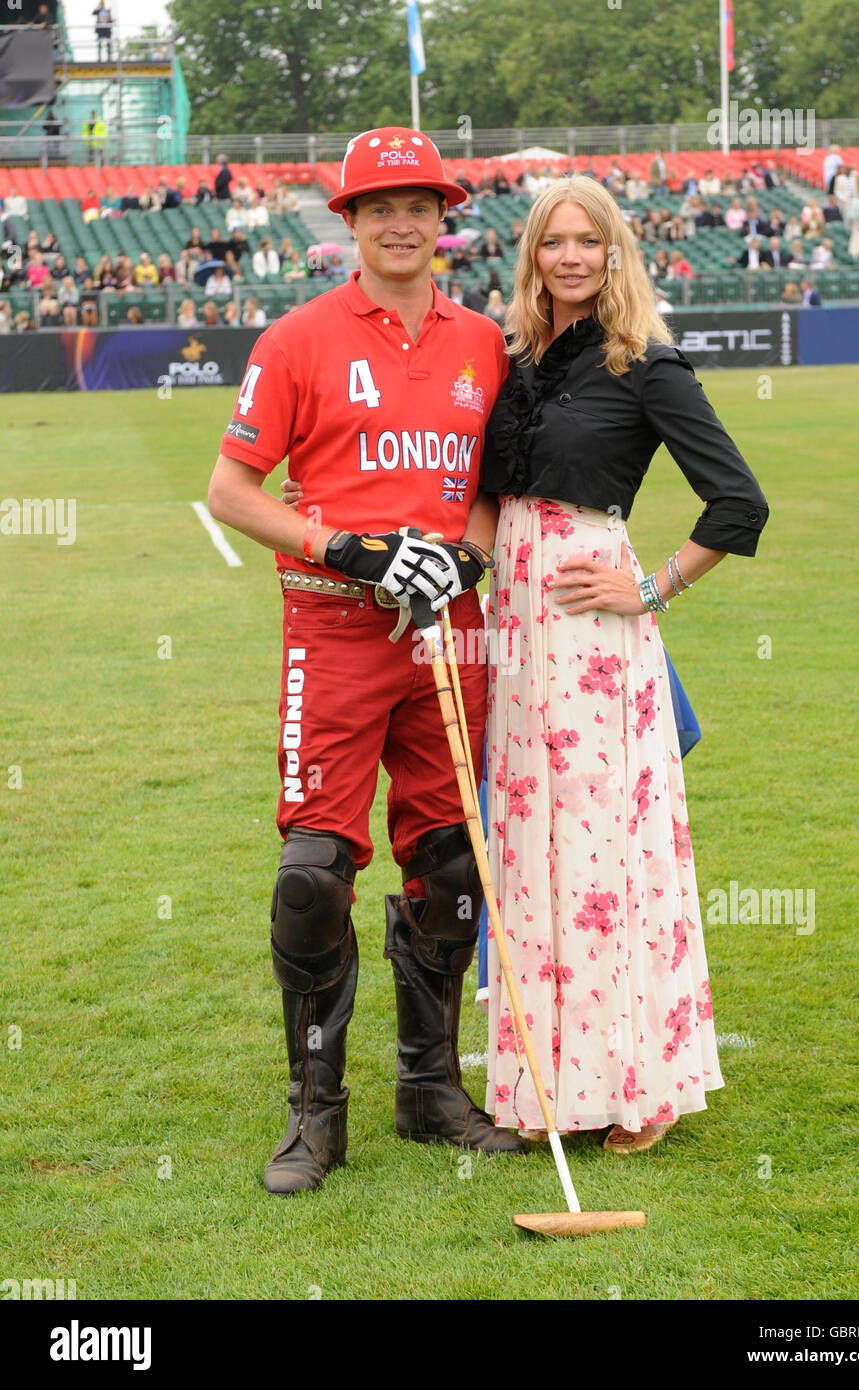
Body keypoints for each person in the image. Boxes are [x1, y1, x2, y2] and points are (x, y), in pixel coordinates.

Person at [206, 125, 525, 1197]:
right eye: (379, 207)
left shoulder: (483, 343)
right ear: (347, 221)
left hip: (444, 637)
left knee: (448, 865)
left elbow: (486, 484)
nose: (401, 223)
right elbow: (233, 491)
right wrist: (344, 546)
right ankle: (314, 1110)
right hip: (336, 632)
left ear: (444, 222)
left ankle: (429, 1090)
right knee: (311, 877)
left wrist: (465, 557)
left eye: (419, 206)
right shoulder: (298, 338)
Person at [477, 177, 769, 1150]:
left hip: (590, 638)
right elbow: (484, 493)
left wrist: (650, 588)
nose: (568, 255)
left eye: (585, 240)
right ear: (532, 254)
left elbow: (737, 502)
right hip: (511, 626)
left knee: (601, 854)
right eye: (552, 240)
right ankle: (548, 1089)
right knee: (529, 853)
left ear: (612, 253)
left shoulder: (644, 362)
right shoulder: (513, 360)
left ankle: (634, 1083)